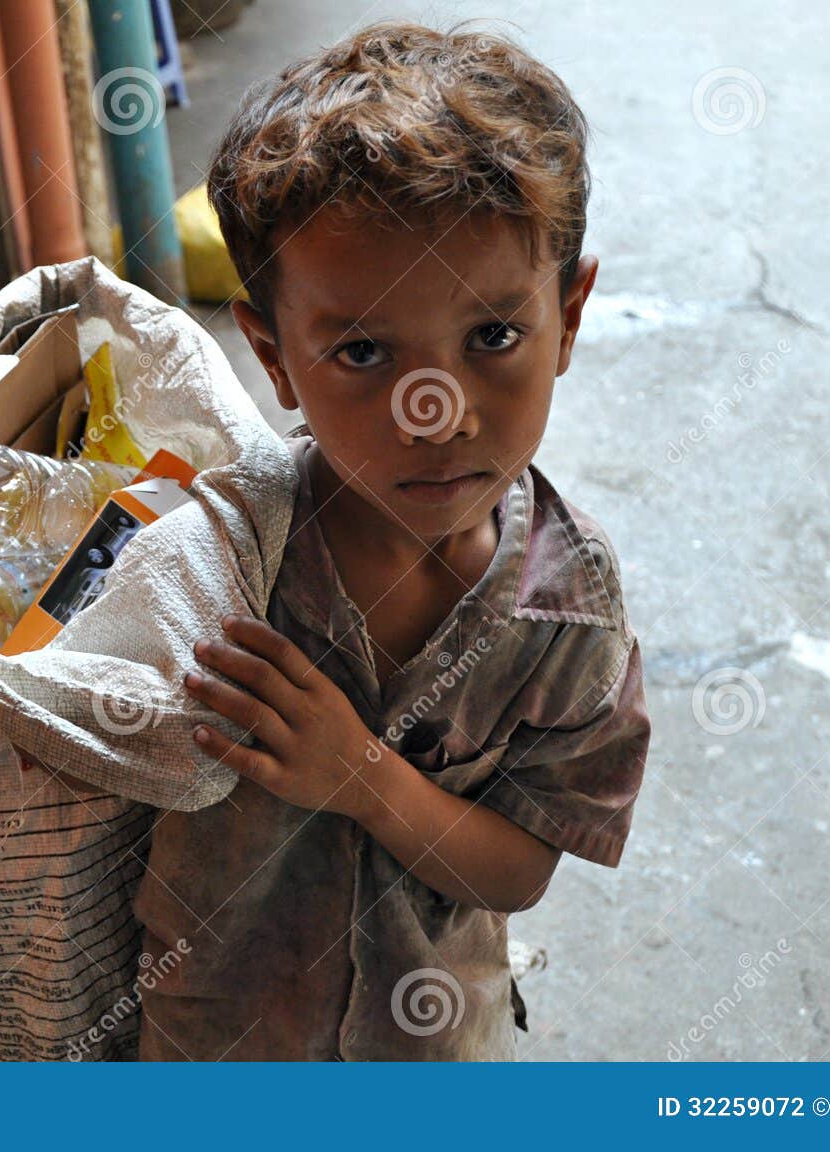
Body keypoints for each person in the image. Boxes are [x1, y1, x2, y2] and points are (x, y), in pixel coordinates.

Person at [135, 18, 651, 1060]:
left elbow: (521, 868)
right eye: (363, 349)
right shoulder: (210, 558)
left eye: (493, 336)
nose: (436, 413)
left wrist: (363, 777)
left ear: (570, 314)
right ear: (275, 357)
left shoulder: (566, 610)